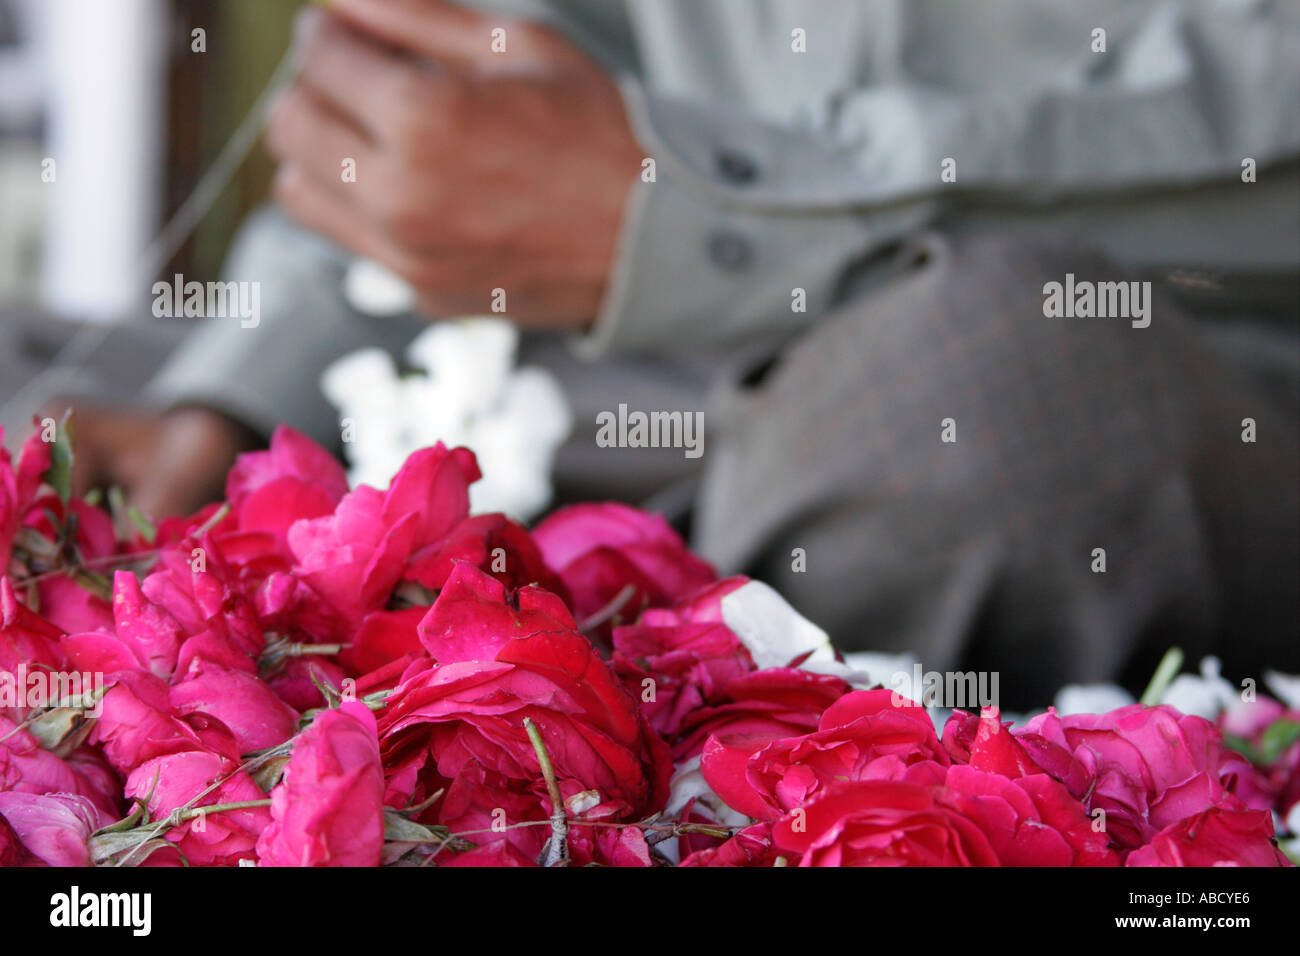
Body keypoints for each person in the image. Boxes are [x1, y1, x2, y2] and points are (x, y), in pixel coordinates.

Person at [51, 0, 1300, 705]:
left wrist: (710, 213)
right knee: (48, 420)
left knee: (989, 390)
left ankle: (605, 693)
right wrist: (222, 407)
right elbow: (452, 95)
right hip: (594, 386)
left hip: (1148, 367)